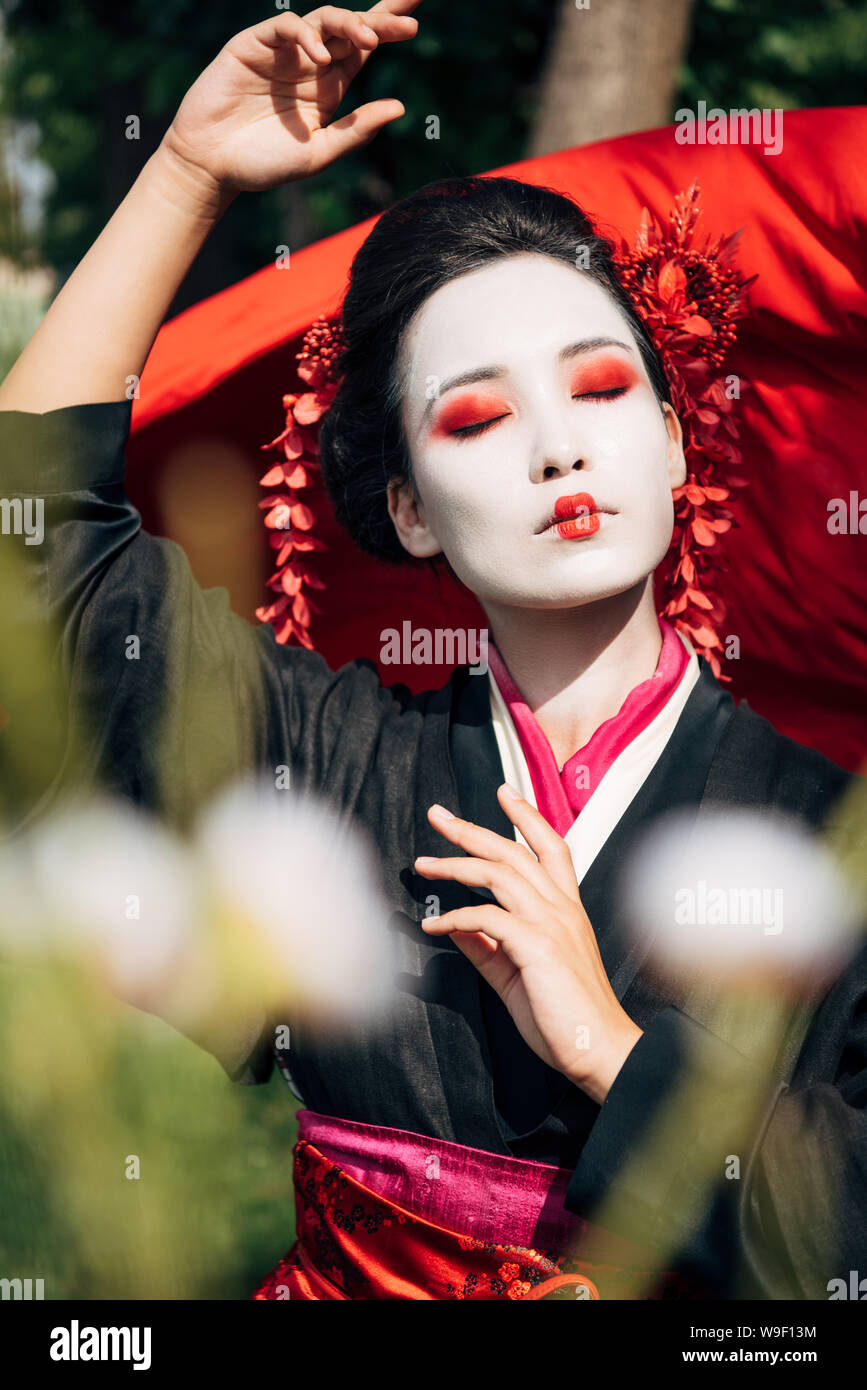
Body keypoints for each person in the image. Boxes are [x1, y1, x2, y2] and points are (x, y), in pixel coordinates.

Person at [0, 2, 864, 1301]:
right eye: (475, 416)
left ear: (680, 437)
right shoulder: (323, 766)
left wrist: (615, 1053)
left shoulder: (828, 839)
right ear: (406, 506)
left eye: (602, 388)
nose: (556, 448)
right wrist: (184, 176)